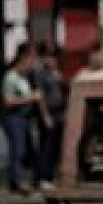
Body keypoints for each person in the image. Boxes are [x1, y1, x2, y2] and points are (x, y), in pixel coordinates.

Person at [0, 43, 46, 196]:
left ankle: (18, 180)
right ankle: (18, 181)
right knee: (17, 149)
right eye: (28, 64)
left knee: (27, 150)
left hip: (25, 118)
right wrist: (30, 98)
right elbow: (7, 102)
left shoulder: (25, 78)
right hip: (14, 117)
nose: (30, 67)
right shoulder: (10, 77)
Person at [32, 42, 66, 189]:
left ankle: (52, 175)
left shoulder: (56, 73)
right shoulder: (40, 73)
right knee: (47, 146)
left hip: (59, 112)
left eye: (54, 57)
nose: (52, 60)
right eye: (49, 57)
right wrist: (45, 116)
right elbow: (40, 97)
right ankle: (44, 177)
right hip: (48, 112)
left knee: (56, 145)